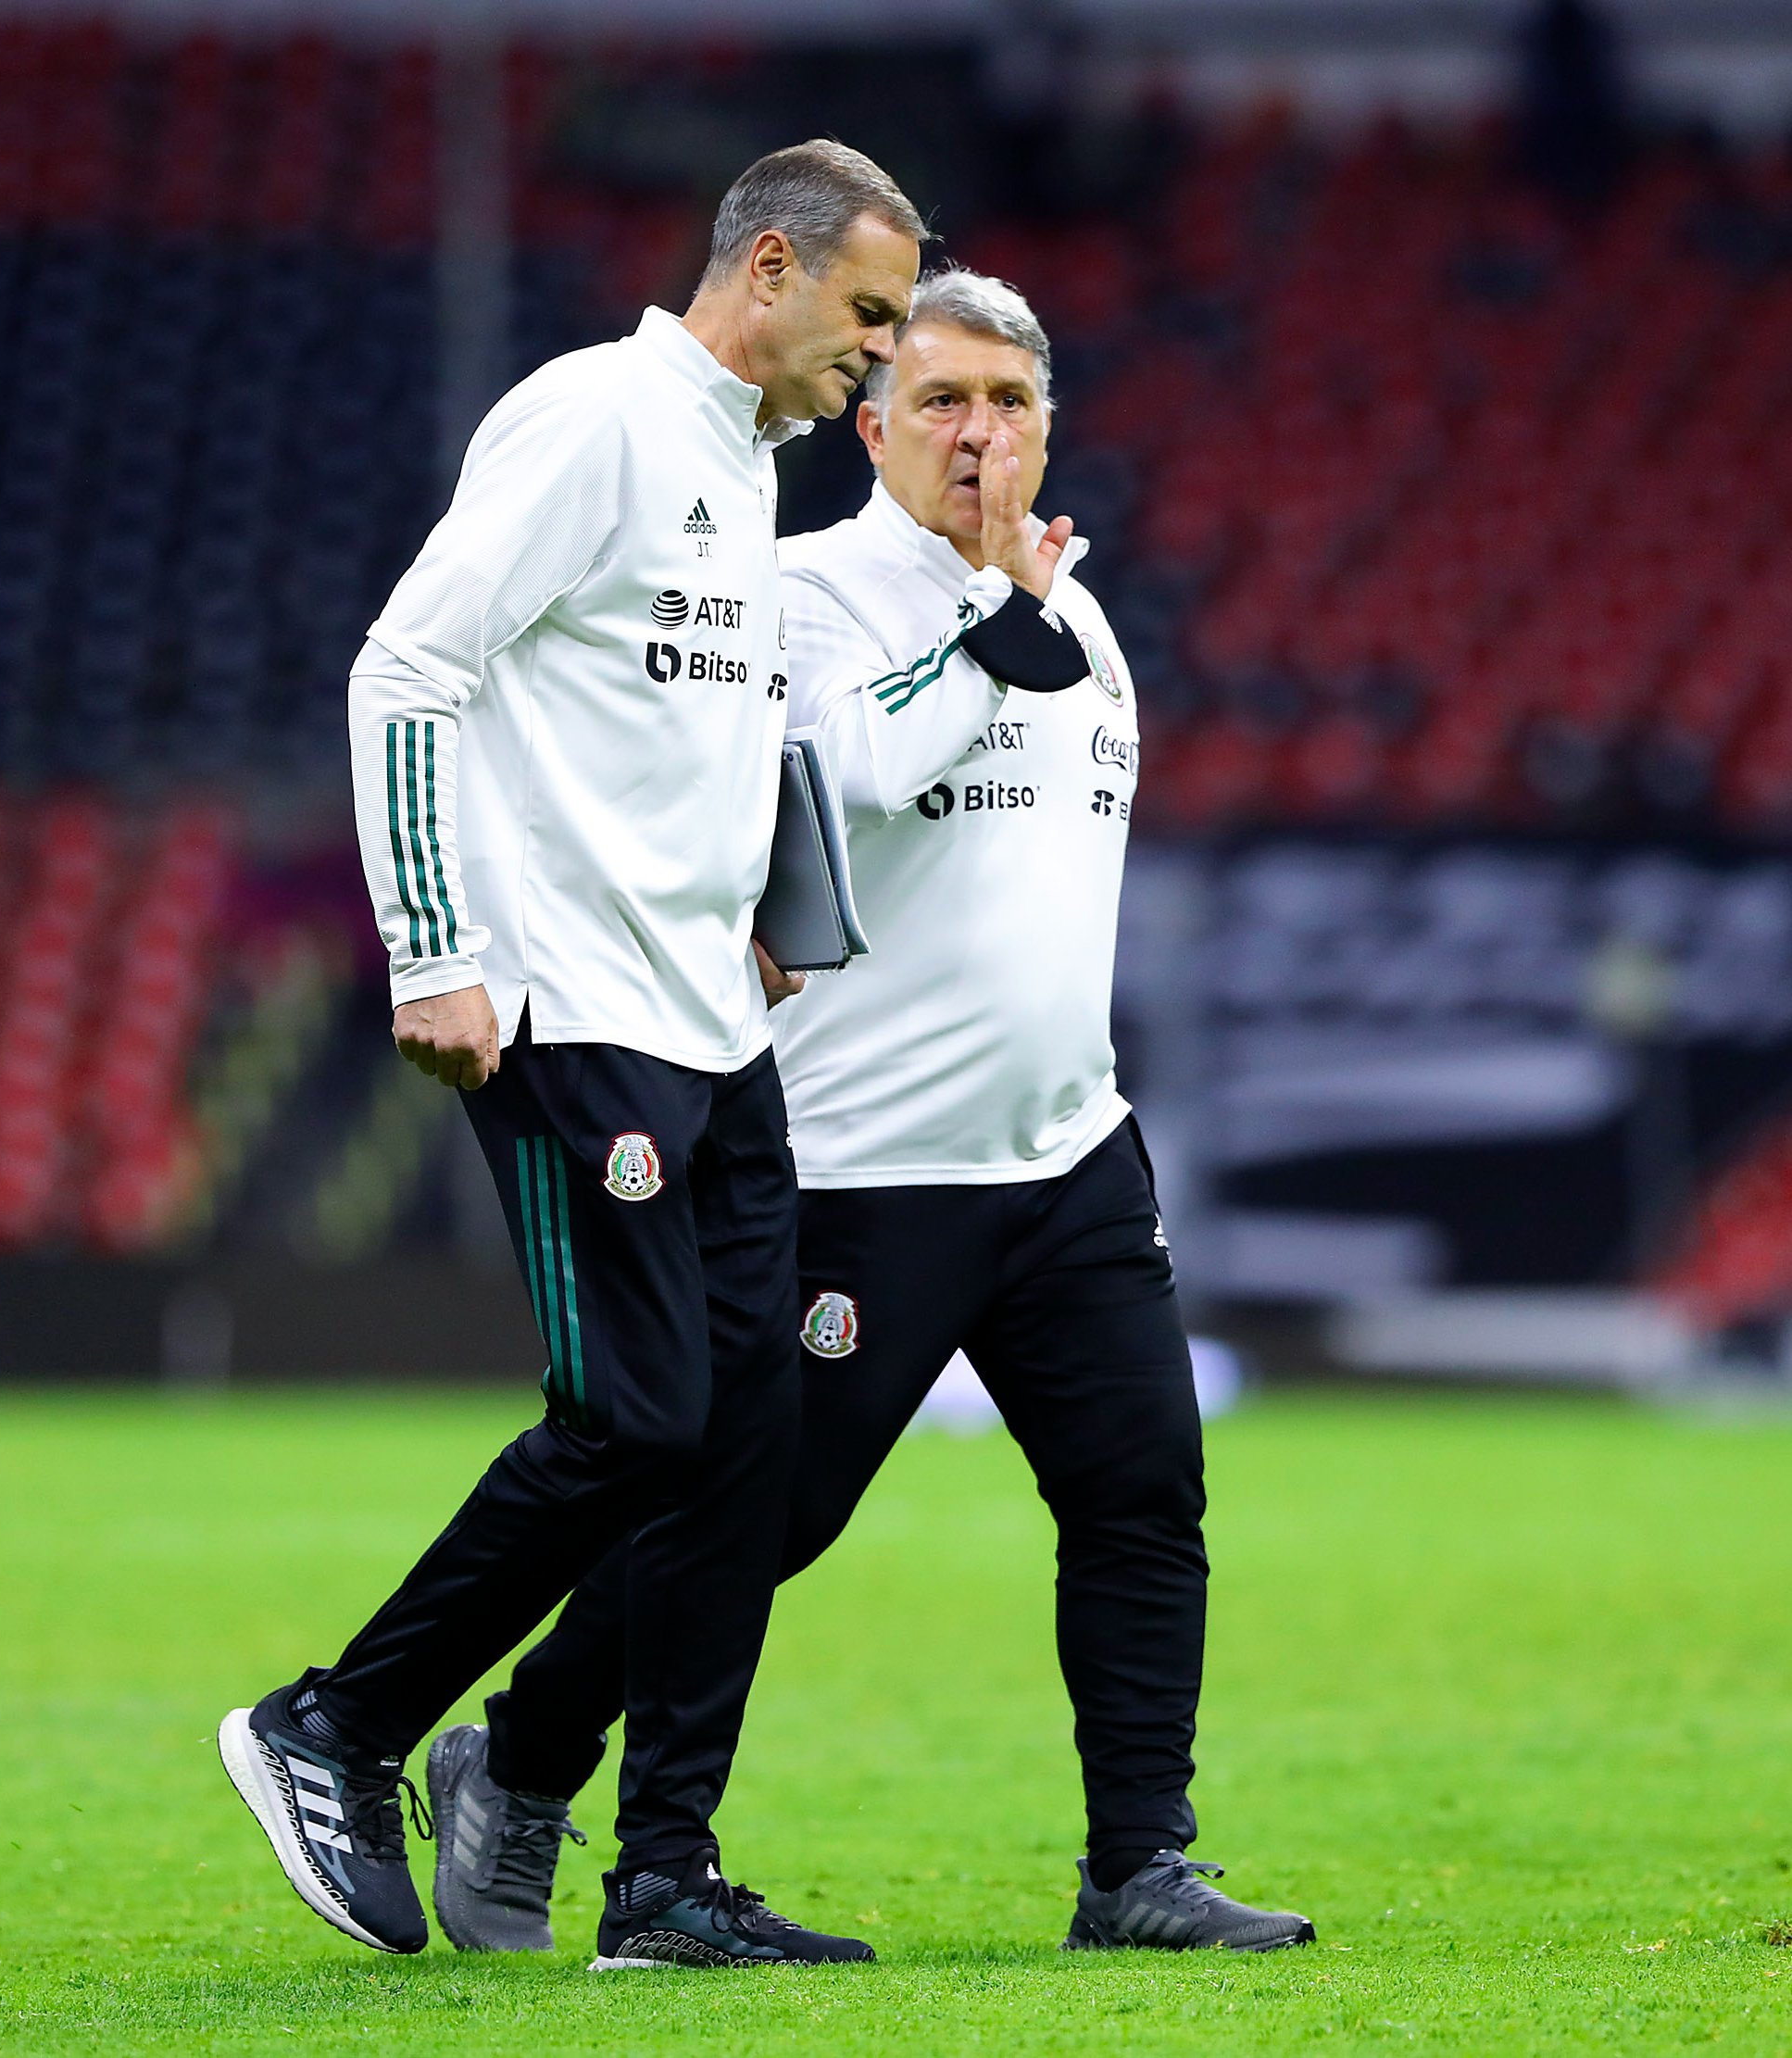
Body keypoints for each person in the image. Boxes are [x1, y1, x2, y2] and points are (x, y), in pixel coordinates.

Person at [421, 270, 1317, 1957]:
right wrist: (988, 615)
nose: (979, 431)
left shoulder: (1086, 617)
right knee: (760, 1521)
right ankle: (517, 1761)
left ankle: (1139, 1862)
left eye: (1011, 402)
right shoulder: (799, 594)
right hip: (855, 1161)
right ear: (870, 422)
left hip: (1064, 1151)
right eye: (940, 399)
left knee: (1143, 1493)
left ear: (1051, 423)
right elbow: (837, 785)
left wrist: (1019, 605)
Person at [219, 142, 934, 1973]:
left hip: (712, 1023)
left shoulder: (742, 475)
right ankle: (337, 1721)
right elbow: (410, 667)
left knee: (748, 1441)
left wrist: (778, 903)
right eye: (863, 312)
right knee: (638, 1417)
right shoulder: (598, 419)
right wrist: (437, 946)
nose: (878, 350)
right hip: (570, 1014)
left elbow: (692, 731)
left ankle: (664, 1879)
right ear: (763, 269)